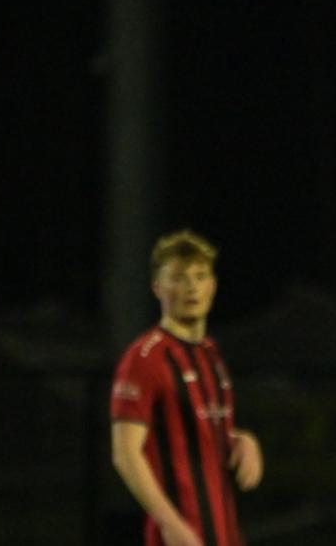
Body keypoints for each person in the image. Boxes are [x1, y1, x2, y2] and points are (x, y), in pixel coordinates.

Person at [111, 229, 263, 546]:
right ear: (158, 288)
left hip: (224, 534)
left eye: (200, 275)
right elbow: (126, 453)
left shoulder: (210, 353)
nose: (191, 287)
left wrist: (242, 440)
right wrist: (171, 524)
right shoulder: (146, 357)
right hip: (183, 535)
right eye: (179, 277)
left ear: (213, 285)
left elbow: (202, 431)